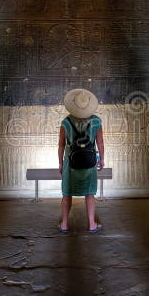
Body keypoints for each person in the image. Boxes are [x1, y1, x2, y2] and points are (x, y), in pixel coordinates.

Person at [58, 88, 104, 234]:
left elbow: (61, 145)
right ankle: (92, 224)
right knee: (89, 193)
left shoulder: (66, 122)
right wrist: (102, 159)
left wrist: (60, 162)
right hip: (89, 162)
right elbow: (101, 143)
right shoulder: (96, 121)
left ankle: (64, 224)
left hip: (70, 163)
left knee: (67, 193)